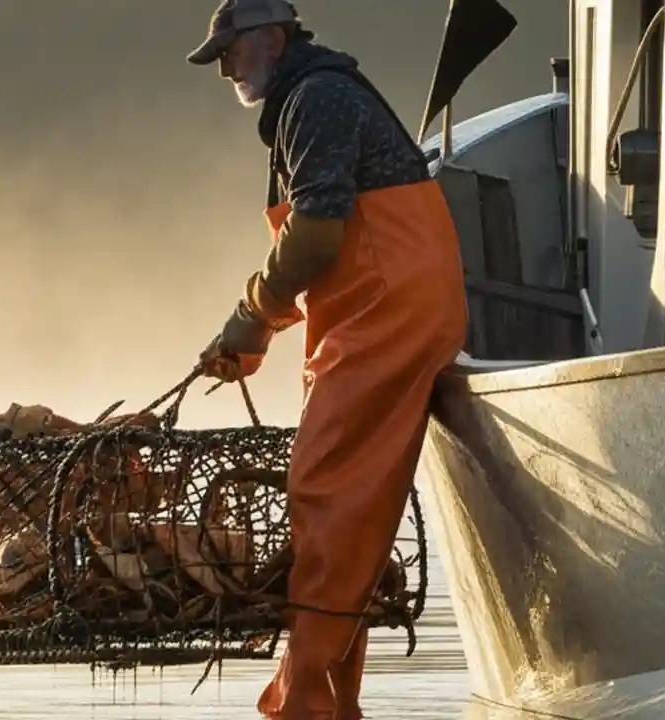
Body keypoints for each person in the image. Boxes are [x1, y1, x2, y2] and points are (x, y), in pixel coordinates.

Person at [186, 1, 469, 717]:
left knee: (327, 491)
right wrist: (258, 328)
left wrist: (254, 315)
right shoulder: (303, 100)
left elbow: (315, 239)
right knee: (349, 505)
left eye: (231, 49)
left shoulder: (317, 98)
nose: (224, 65)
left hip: (390, 312)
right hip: (367, 312)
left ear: (274, 40)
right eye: (217, 56)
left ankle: (303, 704)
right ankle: (333, 702)